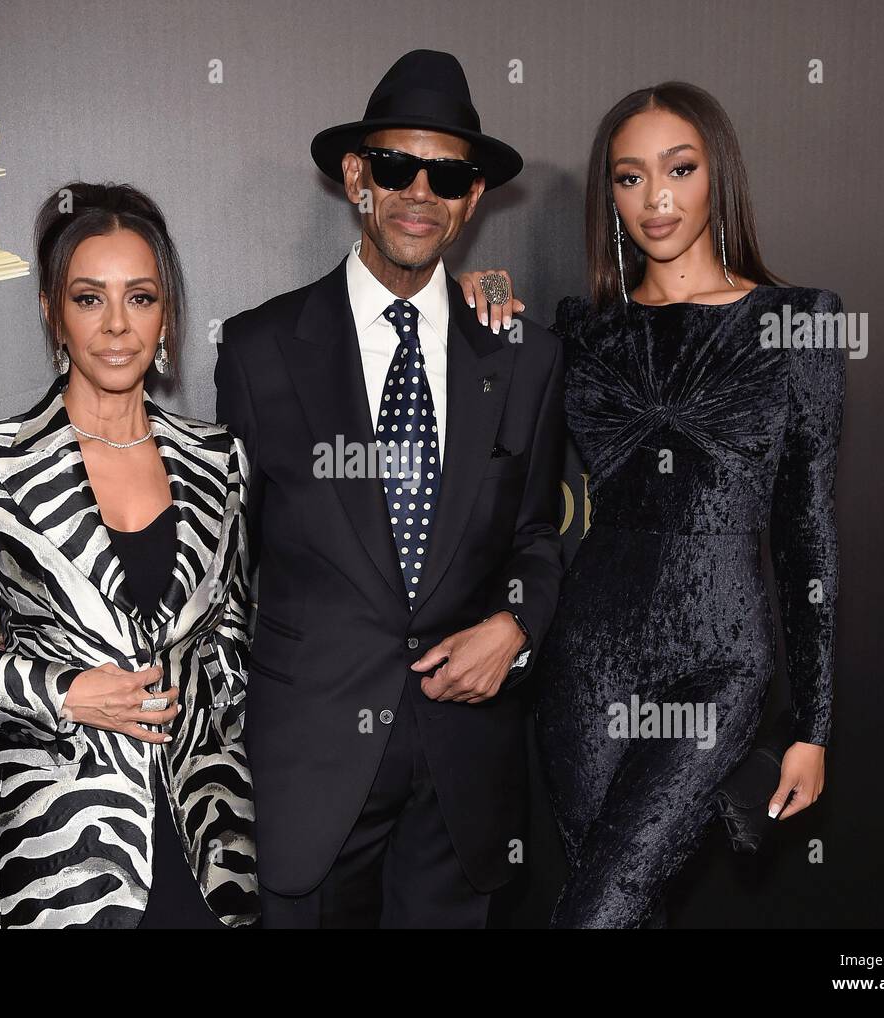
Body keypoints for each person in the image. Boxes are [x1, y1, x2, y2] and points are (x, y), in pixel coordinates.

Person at [460, 82, 843, 928]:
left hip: (722, 662)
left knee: (605, 902)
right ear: (611, 197)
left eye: (679, 168)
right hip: (585, 659)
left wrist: (813, 724)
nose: (657, 198)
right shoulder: (584, 331)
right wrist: (480, 292)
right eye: (630, 178)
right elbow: (496, 432)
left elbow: (807, 531)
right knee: (628, 905)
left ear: (719, 176)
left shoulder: (799, 323)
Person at [215, 49, 565, 928]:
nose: (420, 192)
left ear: (474, 197)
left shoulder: (523, 355)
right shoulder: (259, 351)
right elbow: (226, 563)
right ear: (355, 176)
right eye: (397, 166)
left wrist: (517, 625)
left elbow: (537, 536)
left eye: (447, 174)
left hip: (464, 772)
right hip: (311, 760)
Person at [0, 182, 259, 929]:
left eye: (140, 298)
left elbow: (230, 625)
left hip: (203, 848)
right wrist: (68, 693)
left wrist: (205, 704)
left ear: (166, 316)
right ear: (52, 311)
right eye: (88, 298)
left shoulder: (219, 459)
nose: (116, 326)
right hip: (54, 857)